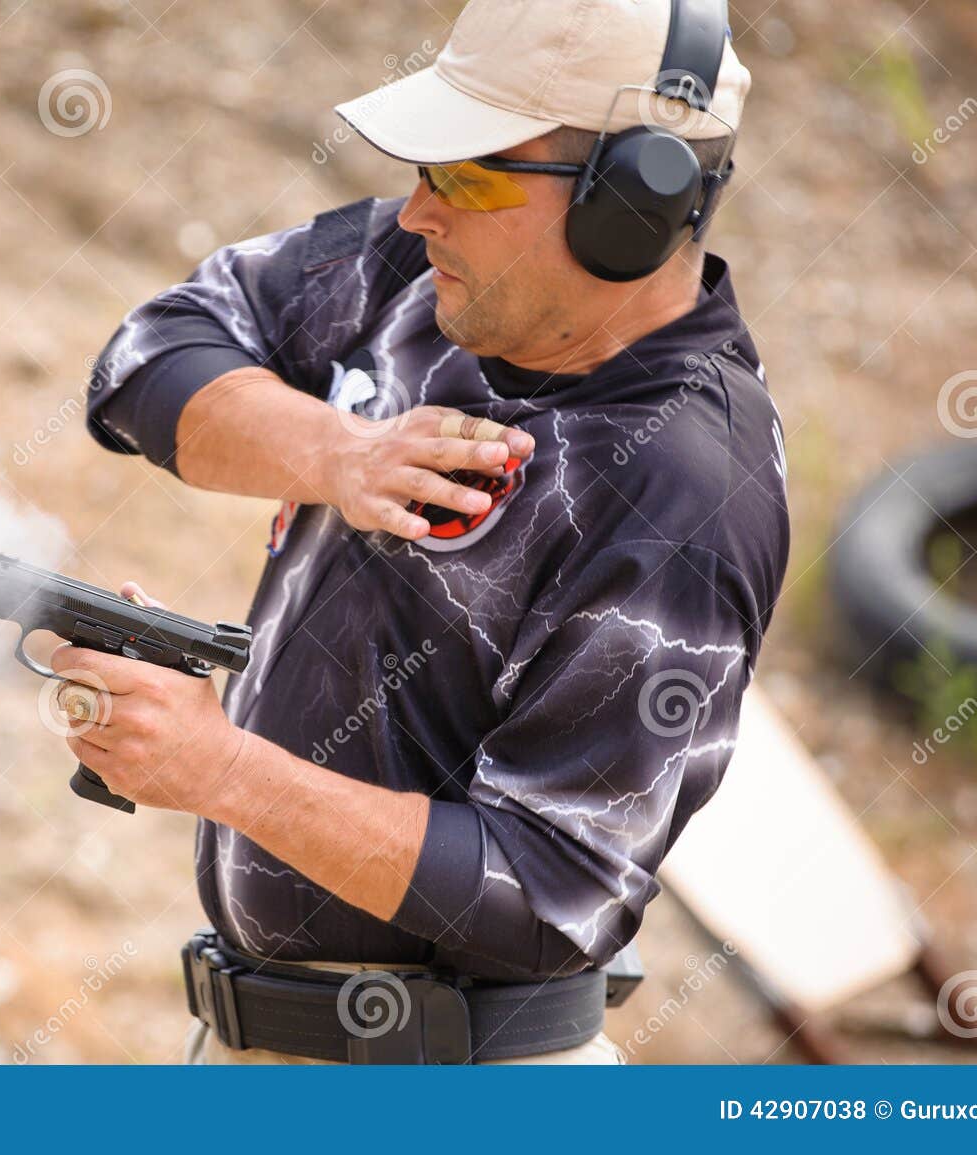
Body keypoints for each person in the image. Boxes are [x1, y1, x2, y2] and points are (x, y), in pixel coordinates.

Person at [64, 0, 789, 1064]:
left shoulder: (684, 489)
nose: (414, 213)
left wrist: (220, 771)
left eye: (463, 174)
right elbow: (143, 356)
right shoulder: (429, 280)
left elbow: (551, 893)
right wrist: (332, 451)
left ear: (628, 202)